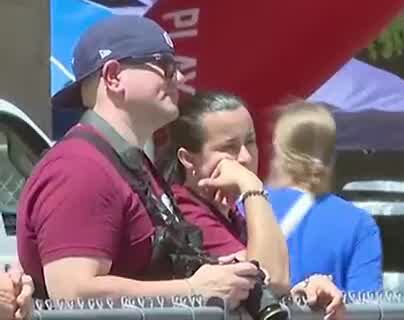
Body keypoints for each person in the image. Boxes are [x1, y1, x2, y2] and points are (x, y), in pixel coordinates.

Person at [17, 16, 260, 303]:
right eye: (166, 67)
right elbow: (72, 292)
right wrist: (193, 290)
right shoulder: (79, 168)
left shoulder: (130, 165)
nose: (180, 79)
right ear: (114, 76)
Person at [163, 91, 345, 318]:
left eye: (250, 142)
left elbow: (267, 290)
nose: (246, 157)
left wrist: (305, 289)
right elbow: (274, 279)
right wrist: (251, 186)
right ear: (188, 159)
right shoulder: (184, 209)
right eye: (229, 147)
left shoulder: (230, 213)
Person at [265, 101, 382, 293]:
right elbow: (366, 306)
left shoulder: (245, 208)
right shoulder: (359, 223)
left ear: (277, 149)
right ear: (331, 156)